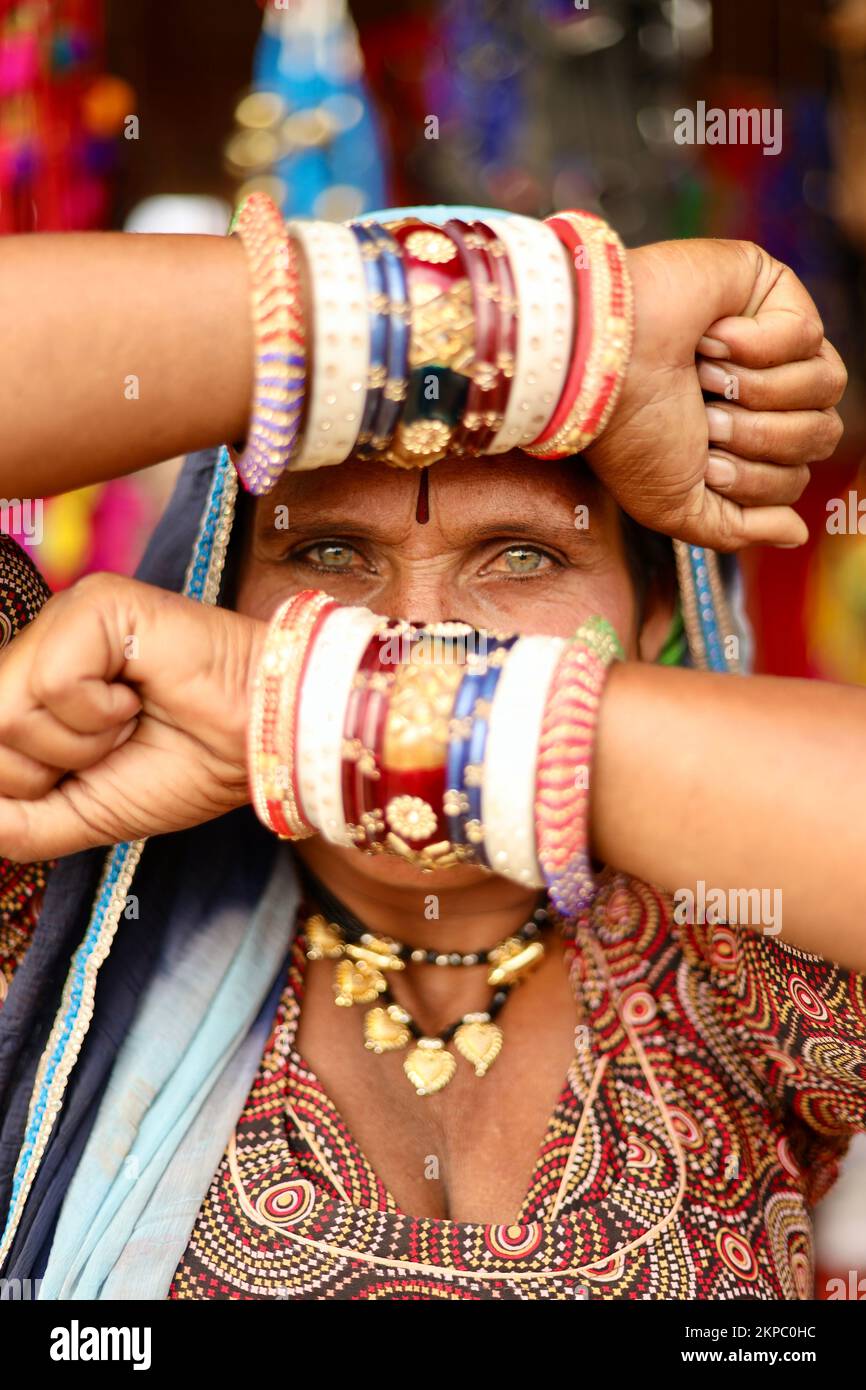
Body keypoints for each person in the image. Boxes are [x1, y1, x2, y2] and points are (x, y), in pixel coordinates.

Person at [0, 210, 862, 1301]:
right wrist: (549, 323)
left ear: (656, 624)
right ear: (216, 588)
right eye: (326, 550)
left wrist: (332, 711)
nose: (408, 634)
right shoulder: (70, 893)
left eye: (520, 553)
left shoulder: (731, 945)